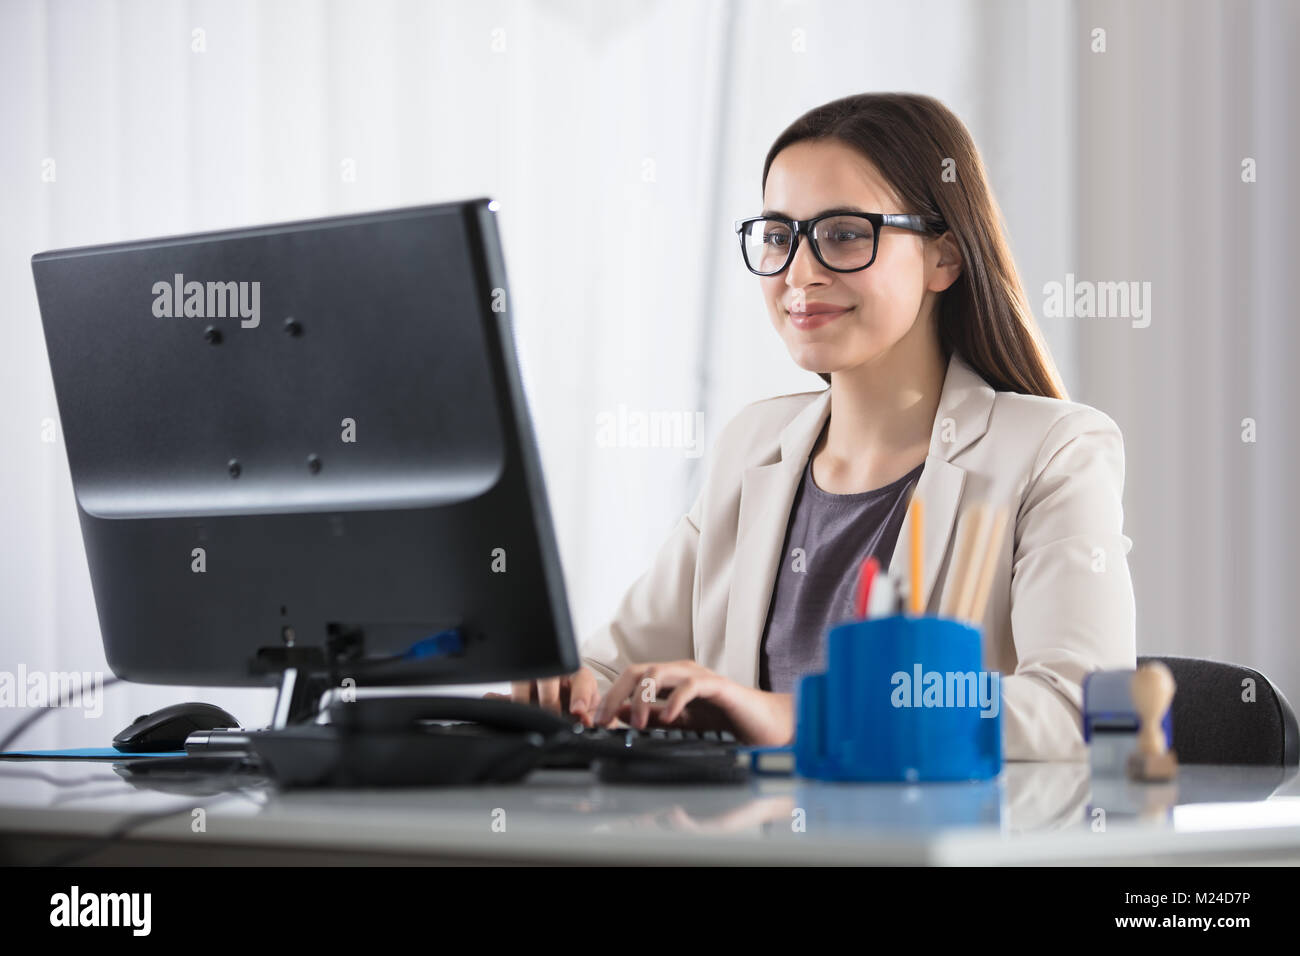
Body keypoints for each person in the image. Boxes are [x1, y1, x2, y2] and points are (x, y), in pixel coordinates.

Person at [499, 92, 1136, 761]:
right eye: (778, 237)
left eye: (844, 234)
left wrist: (797, 717)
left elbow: (1072, 708)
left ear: (943, 259)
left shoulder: (1052, 452)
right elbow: (616, 667)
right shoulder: (753, 446)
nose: (800, 273)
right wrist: (568, 692)